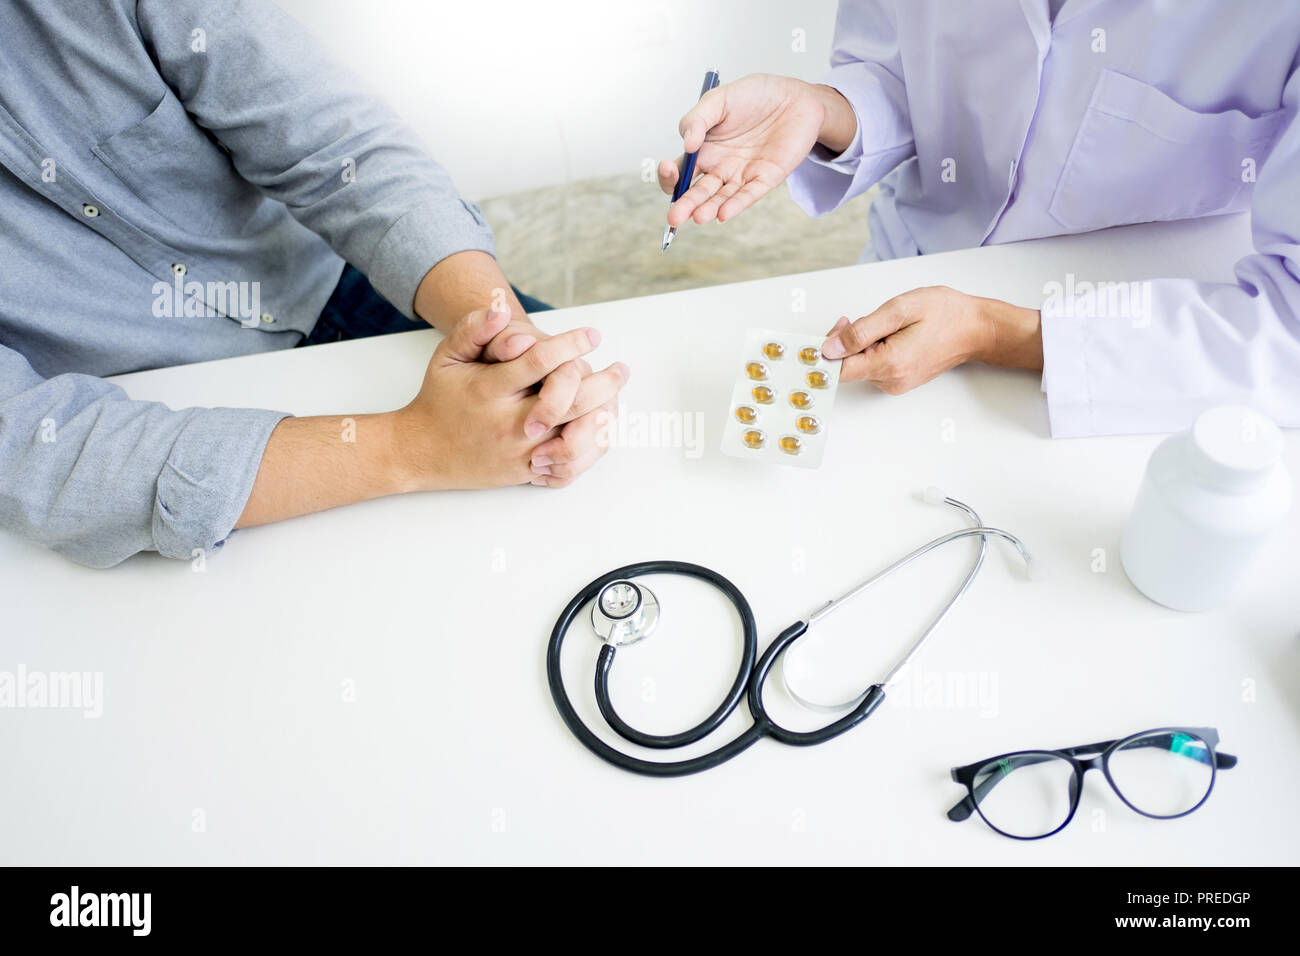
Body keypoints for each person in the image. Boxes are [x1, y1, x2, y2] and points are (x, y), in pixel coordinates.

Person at [0, 0, 626, 569]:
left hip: (351, 281)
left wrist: (509, 346)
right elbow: (37, 454)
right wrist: (416, 447)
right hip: (167, 424)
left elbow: (337, 148)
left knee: (613, 478)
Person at [658, 0, 1300, 438]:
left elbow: (1287, 335)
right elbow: (903, 70)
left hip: (1135, 354)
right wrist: (823, 110)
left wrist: (997, 333)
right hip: (909, 269)